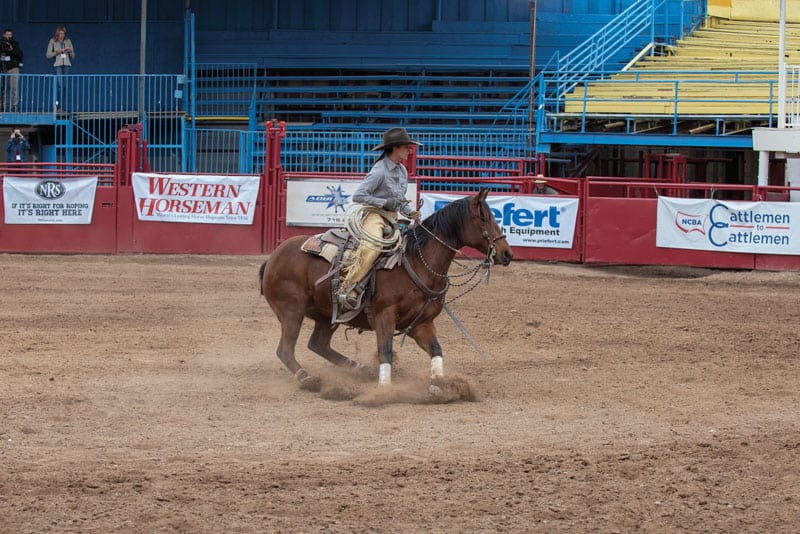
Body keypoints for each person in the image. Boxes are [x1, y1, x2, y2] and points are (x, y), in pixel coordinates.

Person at [337, 127, 422, 310]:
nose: (409, 150)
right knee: (372, 248)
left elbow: (398, 201)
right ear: (395, 148)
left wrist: (410, 212)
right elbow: (358, 196)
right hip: (375, 216)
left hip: (392, 219)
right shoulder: (380, 171)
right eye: (407, 147)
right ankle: (349, 288)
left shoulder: (402, 171)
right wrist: (384, 202)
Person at [46, 26, 74, 109]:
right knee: (60, 85)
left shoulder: (68, 41)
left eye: (63, 33)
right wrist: (56, 52)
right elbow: (48, 55)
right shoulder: (52, 41)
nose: (62, 35)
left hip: (67, 65)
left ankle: (63, 107)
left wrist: (70, 51)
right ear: (57, 34)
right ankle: (57, 106)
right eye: (60, 33)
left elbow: (73, 55)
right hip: (57, 65)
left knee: (64, 86)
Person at [0, 28, 23, 112]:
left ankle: (14, 107)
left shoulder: (15, 44)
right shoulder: (1, 43)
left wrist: (11, 49)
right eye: (7, 35)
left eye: (10, 35)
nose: (8, 37)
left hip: (13, 68)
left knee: (14, 88)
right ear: (4, 35)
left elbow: (19, 54)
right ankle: (3, 107)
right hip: (3, 69)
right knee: (4, 89)